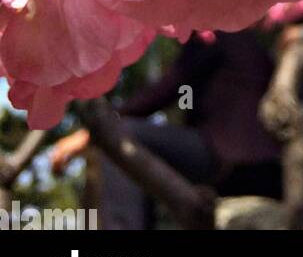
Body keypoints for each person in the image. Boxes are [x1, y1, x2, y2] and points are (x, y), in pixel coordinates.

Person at [51, 30, 283, 229]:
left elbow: (167, 89)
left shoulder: (211, 34)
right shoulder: (246, 42)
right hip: (263, 168)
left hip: (232, 159)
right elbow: (183, 93)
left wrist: (96, 131)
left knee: (123, 136)